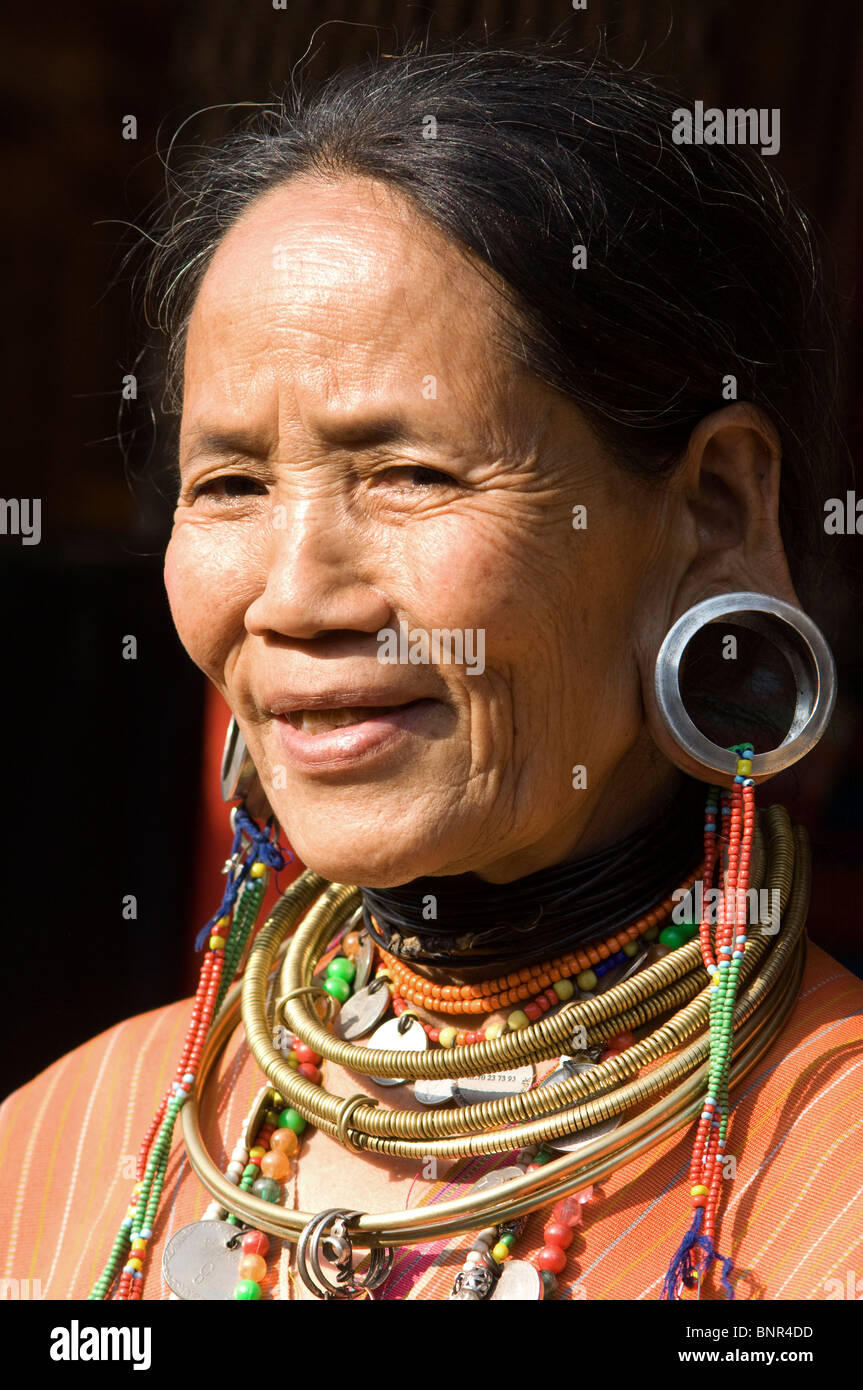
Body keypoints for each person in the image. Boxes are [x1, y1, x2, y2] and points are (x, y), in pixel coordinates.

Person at [2, 44, 861, 1304]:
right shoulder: (60, 1155)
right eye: (230, 484)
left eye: (408, 471)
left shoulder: (819, 1180)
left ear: (715, 507)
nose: (292, 597)